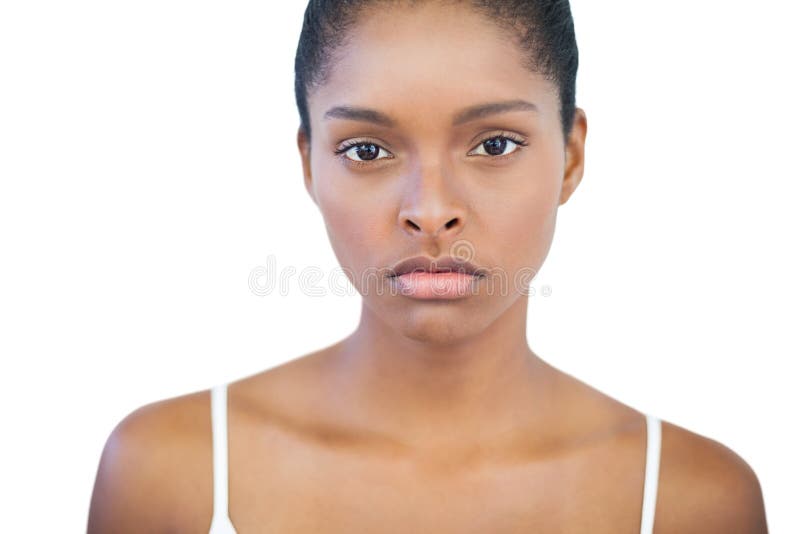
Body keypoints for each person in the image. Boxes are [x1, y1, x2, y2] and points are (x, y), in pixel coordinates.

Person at [87, 1, 769, 532]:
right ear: (308, 163)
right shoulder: (169, 473)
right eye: (367, 150)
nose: (431, 210)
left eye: (494, 143)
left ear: (569, 156)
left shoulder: (695, 502)